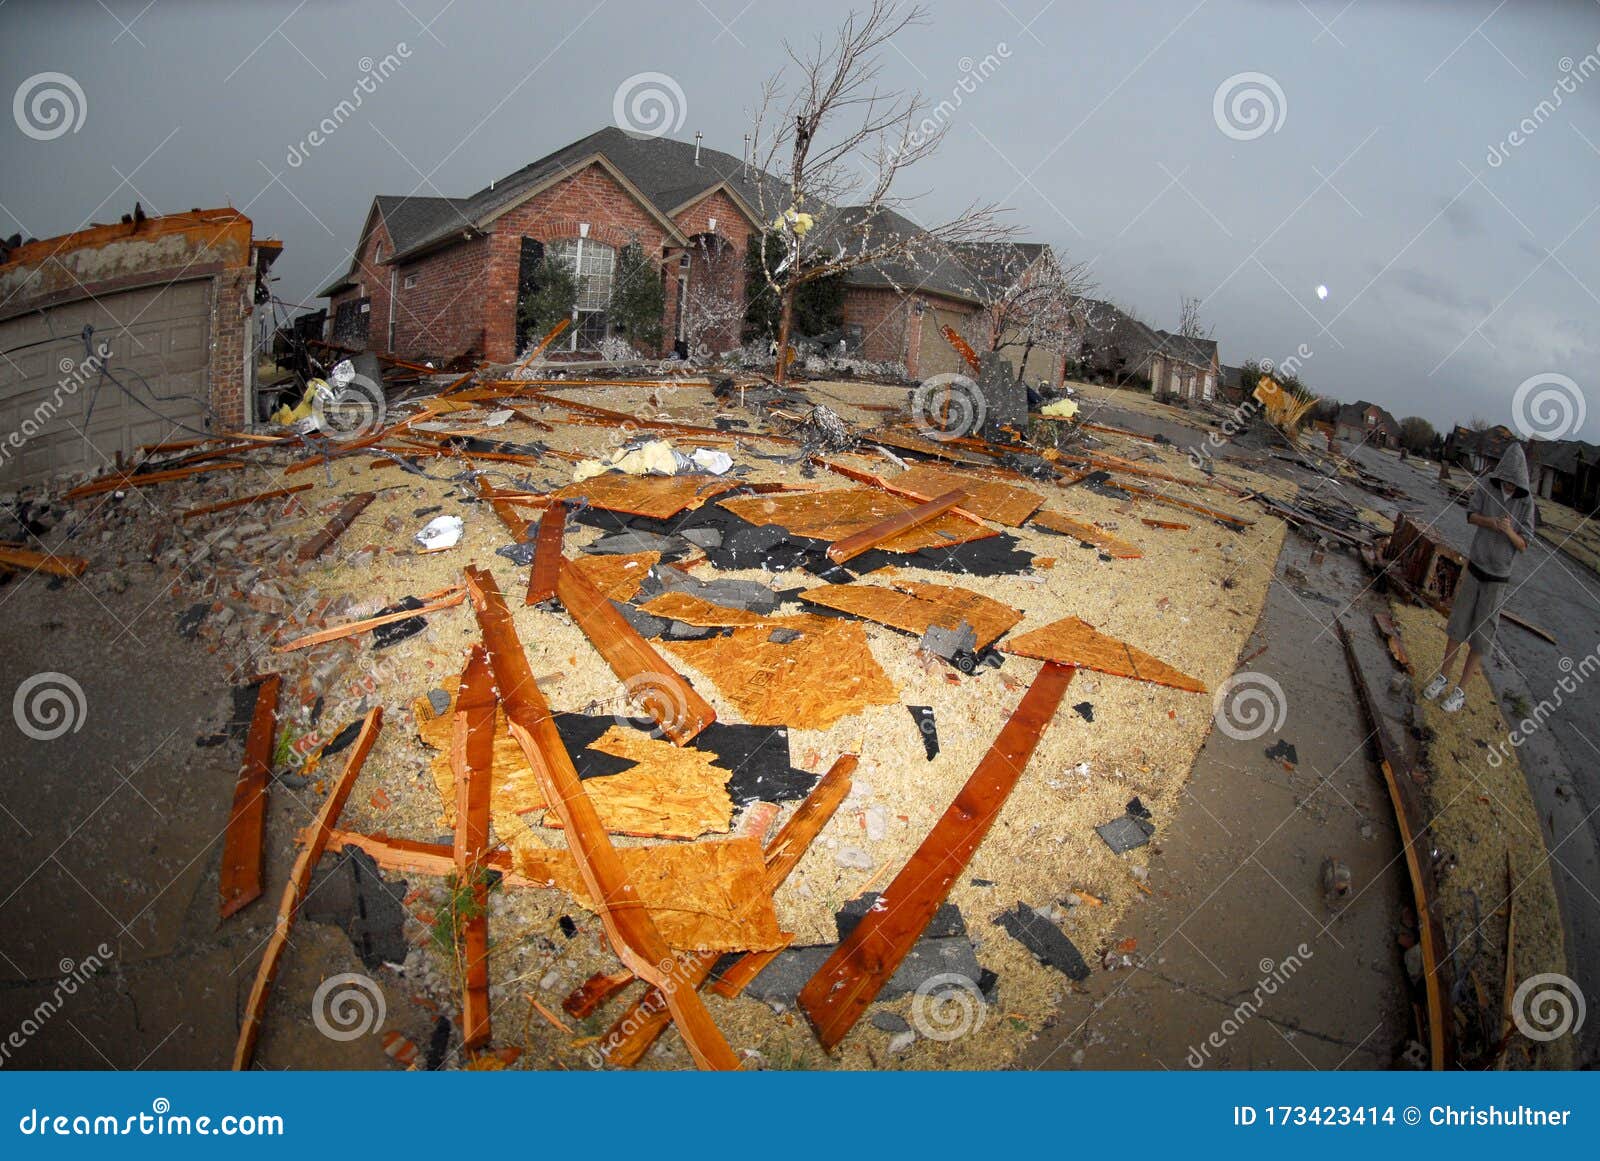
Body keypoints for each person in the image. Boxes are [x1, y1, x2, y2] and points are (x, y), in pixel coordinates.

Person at [1422, 444, 1535, 713]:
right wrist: (1492, 523)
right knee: (1457, 627)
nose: (1508, 486)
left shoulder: (1526, 502)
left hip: (1498, 579)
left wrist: (1508, 531)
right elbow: (1471, 515)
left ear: (1520, 481)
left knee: (1481, 637)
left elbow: (1524, 544)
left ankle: (1460, 692)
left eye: (1512, 483)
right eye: (1505, 481)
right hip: (1475, 568)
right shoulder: (1487, 485)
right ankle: (1442, 677)